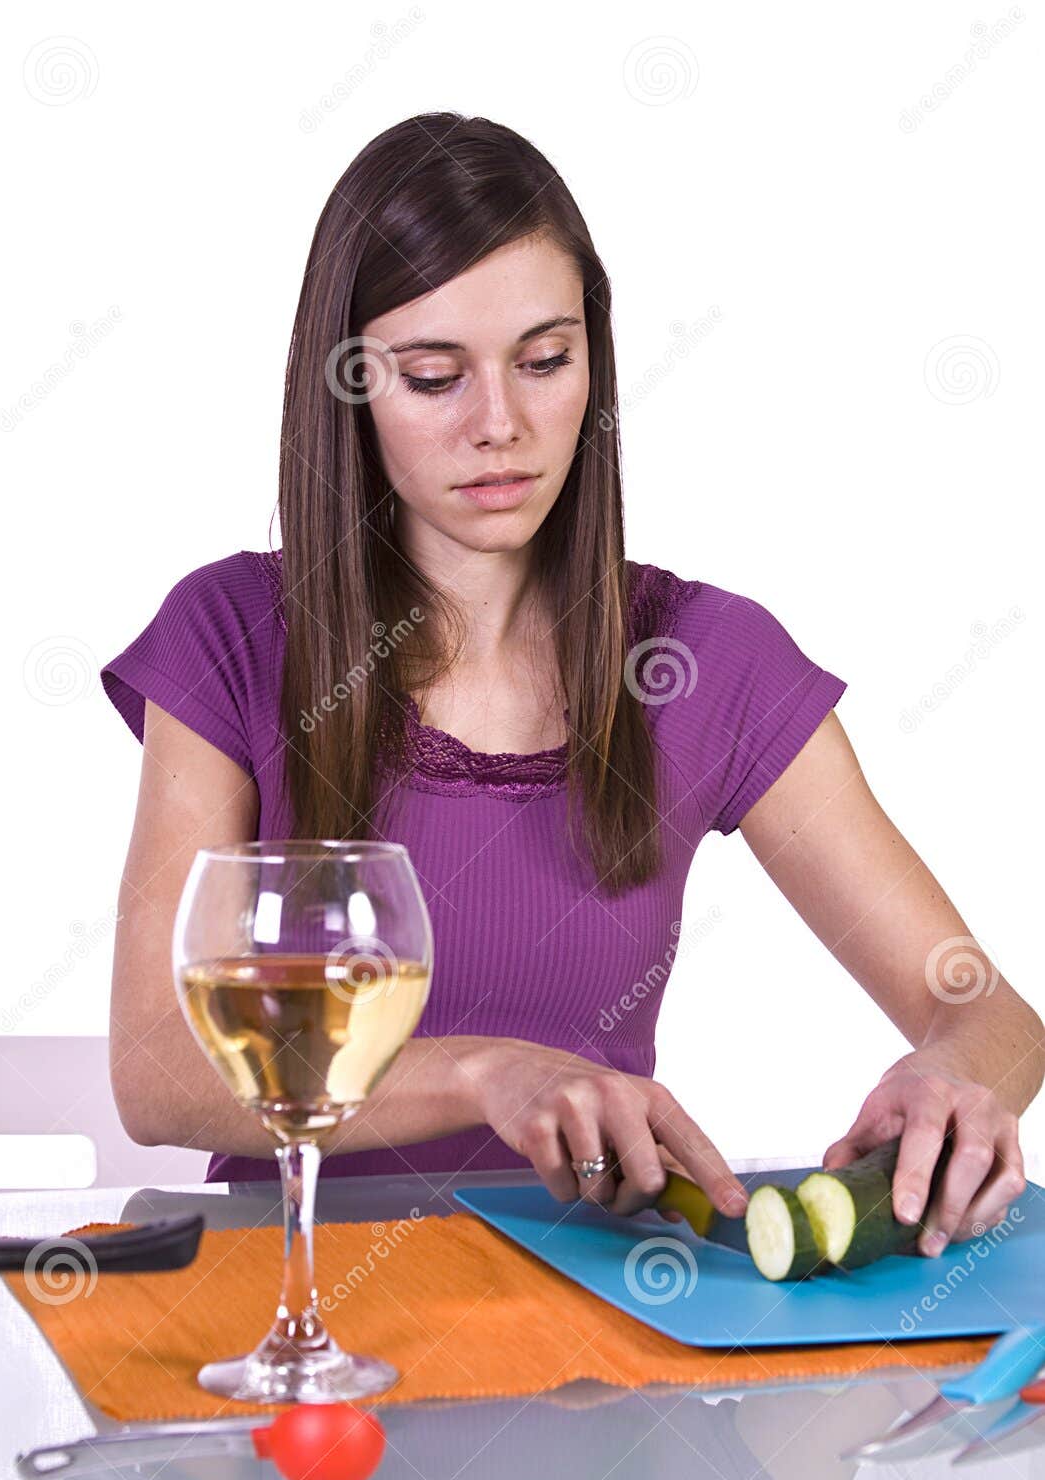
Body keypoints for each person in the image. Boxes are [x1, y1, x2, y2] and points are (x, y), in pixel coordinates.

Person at [101, 112, 1041, 1252]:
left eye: (544, 361)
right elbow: (156, 1072)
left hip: (599, 1328)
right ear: (348, 388)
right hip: (291, 1310)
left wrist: (947, 1072)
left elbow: (981, 1006)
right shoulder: (234, 634)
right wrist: (487, 1073)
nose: (499, 425)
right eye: (434, 375)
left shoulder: (704, 662)